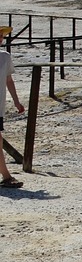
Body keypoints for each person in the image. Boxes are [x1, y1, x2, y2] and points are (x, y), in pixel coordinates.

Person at [0, 27, 23, 189]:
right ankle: (7, 177)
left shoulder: (5, 57)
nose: (0, 39)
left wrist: (16, 101)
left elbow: (9, 80)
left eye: (1, 36)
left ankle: (6, 177)